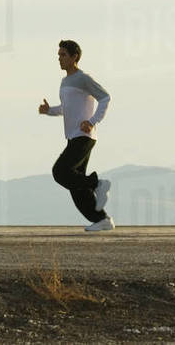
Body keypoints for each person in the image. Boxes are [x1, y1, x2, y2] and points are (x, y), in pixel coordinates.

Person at [39, 40, 113, 232]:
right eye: (58, 55)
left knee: (60, 171)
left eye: (63, 55)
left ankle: (98, 184)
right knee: (75, 185)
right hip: (73, 136)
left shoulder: (83, 78)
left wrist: (93, 120)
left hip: (84, 136)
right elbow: (67, 109)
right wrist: (49, 111)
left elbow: (105, 97)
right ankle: (102, 220)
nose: (59, 59)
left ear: (75, 57)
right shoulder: (65, 82)